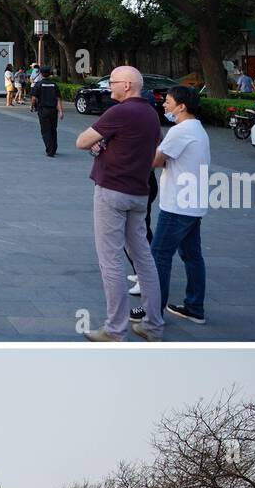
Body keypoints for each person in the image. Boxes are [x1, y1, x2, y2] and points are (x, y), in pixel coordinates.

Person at [76, 65, 164, 342]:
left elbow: (82, 141)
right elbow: (150, 147)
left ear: (127, 85)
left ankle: (115, 329)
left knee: (111, 260)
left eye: (112, 82)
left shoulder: (121, 111)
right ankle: (153, 325)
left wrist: (100, 144)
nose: (109, 86)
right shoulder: (150, 113)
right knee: (144, 259)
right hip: (139, 193)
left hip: (112, 191)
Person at [146, 85, 209, 325]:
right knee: (192, 256)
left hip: (176, 206)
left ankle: (153, 314)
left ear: (181, 107)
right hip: (193, 204)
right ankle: (194, 307)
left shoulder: (180, 131)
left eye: (168, 102)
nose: (165, 105)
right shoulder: (198, 129)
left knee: (159, 256)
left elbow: (154, 160)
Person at [31, 65, 63, 156]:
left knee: (46, 130)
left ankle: (50, 150)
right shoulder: (54, 85)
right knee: (53, 130)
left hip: (43, 110)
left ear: (41, 74)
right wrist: (60, 111)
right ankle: (54, 148)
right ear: (49, 74)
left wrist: (32, 106)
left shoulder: (38, 84)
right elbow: (58, 99)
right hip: (53, 111)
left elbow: (34, 98)